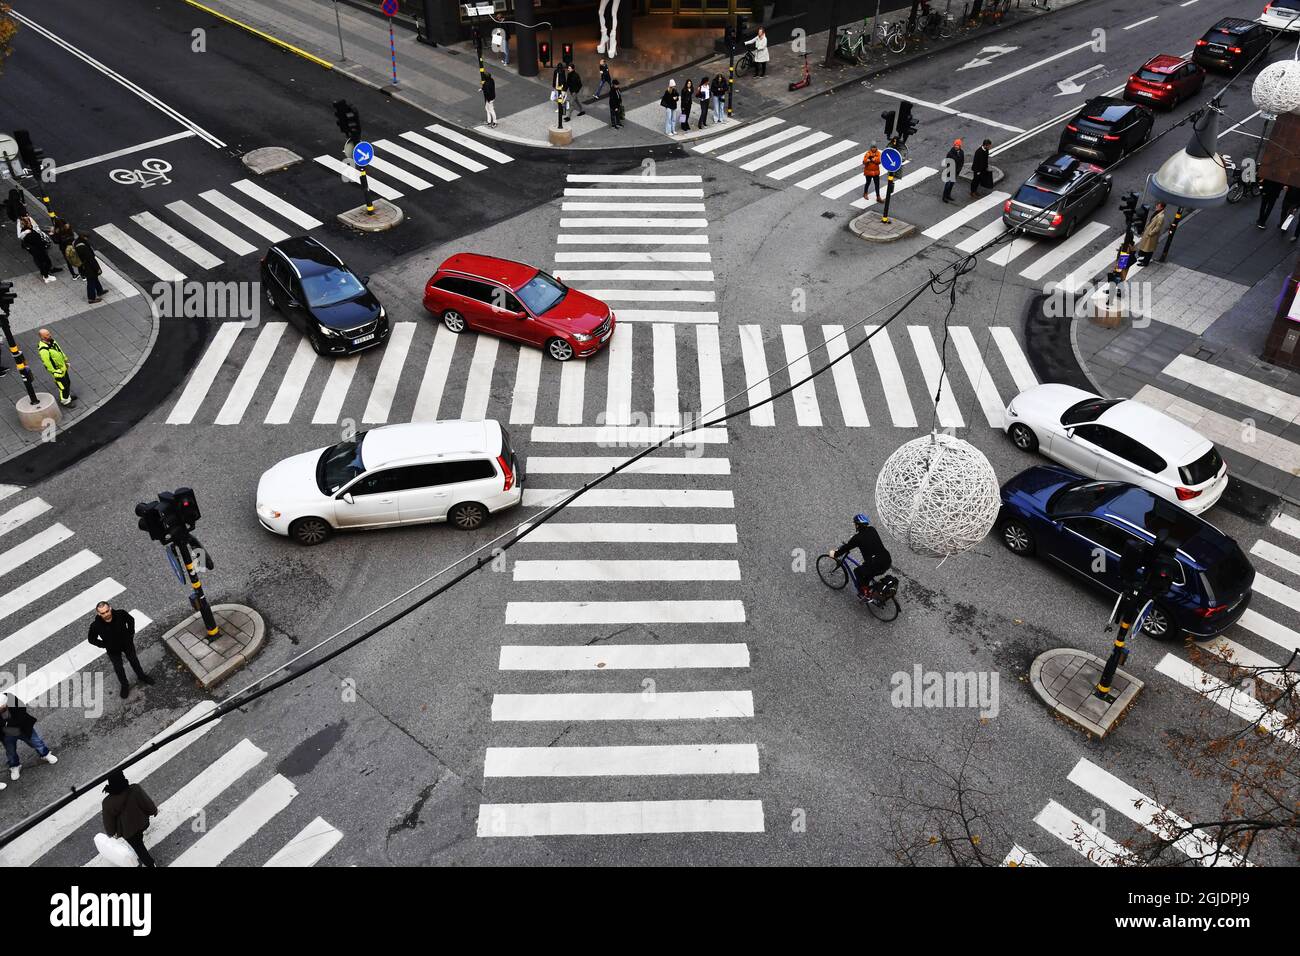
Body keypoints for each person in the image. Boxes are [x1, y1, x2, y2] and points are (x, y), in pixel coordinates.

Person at [88, 601, 154, 699]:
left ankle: (141, 676)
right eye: (103, 613)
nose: (106, 614)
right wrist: (105, 645)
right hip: (112, 650)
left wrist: (130, 634)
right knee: (118, 668)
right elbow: (91, 639)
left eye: (107, 611)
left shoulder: (121, 614)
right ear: (98, 613)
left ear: (110, 608)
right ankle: (124, 685)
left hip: (126, 644)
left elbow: (131, 620)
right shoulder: (95, 625)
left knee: (134, 660)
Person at [101, 770, 159, 868]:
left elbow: (108, 821)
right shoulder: (134, 789)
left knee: (138, 847)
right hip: (141, 822)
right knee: (139, 841)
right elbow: (146, 802)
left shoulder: (107, 802)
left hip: (127, 832)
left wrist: (111, 833)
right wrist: (153, 810)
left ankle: (150, 864)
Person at [829, 514, 893, 598]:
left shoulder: (857, 538)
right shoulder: (872, 529)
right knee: (867, 572)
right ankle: (870, 585)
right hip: (887, 560)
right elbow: (867, 538)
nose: (855, 525)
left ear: (858, 525)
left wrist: (834, 554)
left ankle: (865, 594)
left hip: (875, 564)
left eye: (855, 524)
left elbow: (847, 547)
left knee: (858, 572)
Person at [2, 695, 57, 782]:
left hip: (22, 728)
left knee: (36, 742)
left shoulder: (11, 698)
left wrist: (7, 725)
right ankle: (15, 766)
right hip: (7, 734)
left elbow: (22, 711)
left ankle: (45, 754)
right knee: (10, 751)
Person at [37, 328, 76, 407]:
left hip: (63, 367)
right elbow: (47, 363)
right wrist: (55, 372)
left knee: (67, 382)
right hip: (58, 372)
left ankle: (67, 396)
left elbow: (60, 350)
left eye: (49, 333)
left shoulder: (52, 341)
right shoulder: (43, 349)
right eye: (47, 334)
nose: (50, 335)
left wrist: (65, 360)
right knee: (63, 387)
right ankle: (65, 401)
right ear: (42, 337)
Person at [18, 214, 59, 282]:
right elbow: (38, 241)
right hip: (39, 250)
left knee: (41, 262)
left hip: (35, 251)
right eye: (29, 221)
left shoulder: (24, 232)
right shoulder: (30, 233)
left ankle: (46, 274)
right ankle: (46, 276)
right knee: (44, 262)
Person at [73, 232, 105, 304]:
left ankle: (100, 291)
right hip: (88, 266)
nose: (87, 239)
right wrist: (97, 268)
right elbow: (91, 259)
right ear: (84, 237)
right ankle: (91, 298)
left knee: (94, 278)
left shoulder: (77, 242)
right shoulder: (82, 247)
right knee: (91, 282)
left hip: (83, 265)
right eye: (86, 238)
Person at [1136, 201, 1166, 266]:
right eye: (1157, 205)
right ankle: (1144, 260)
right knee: (1147, 248)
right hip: (1148, 233)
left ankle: (1145, 262)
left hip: (1152, 236)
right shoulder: (1157, 213)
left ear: (1162, 208)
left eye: (1158, 206)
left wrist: (1150, 233)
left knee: (1149, 250)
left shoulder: (1161, 217)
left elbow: (1158, 228)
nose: (1156, 207)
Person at [942, 138, 965, 203]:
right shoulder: (950, 153)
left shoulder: (961, 152)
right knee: (947, 185)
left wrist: (959, 169)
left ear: (960, 146)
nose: (956, 146)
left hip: (956, 171)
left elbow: (962, 161)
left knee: (951, 185)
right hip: (950, 172)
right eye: (955, 145)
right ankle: (944, 197)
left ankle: (948, 195)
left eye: (957, 145)